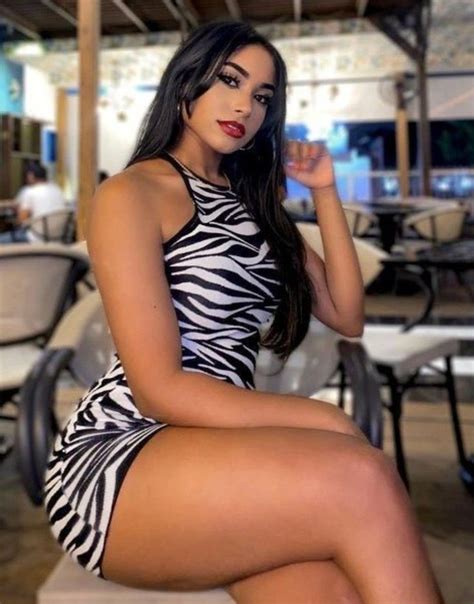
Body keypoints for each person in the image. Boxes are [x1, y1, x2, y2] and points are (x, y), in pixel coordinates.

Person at [44, 21, 443, 603]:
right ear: (187, 82)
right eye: (229, 80)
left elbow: (347, 314)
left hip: (223, 449)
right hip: (124, 456)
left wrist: (324, 191)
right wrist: (321, 418)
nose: (245, 106)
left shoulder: (251, 204)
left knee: (336, 592)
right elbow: (157, 389)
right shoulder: (131, 193)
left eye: (262, 96)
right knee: (364, 476)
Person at [0, 163, 67, 243]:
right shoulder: (57, 190)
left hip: (36, 239)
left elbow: (21, 220)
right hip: (58, 239)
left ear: (30, 176)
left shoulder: (30, 191)